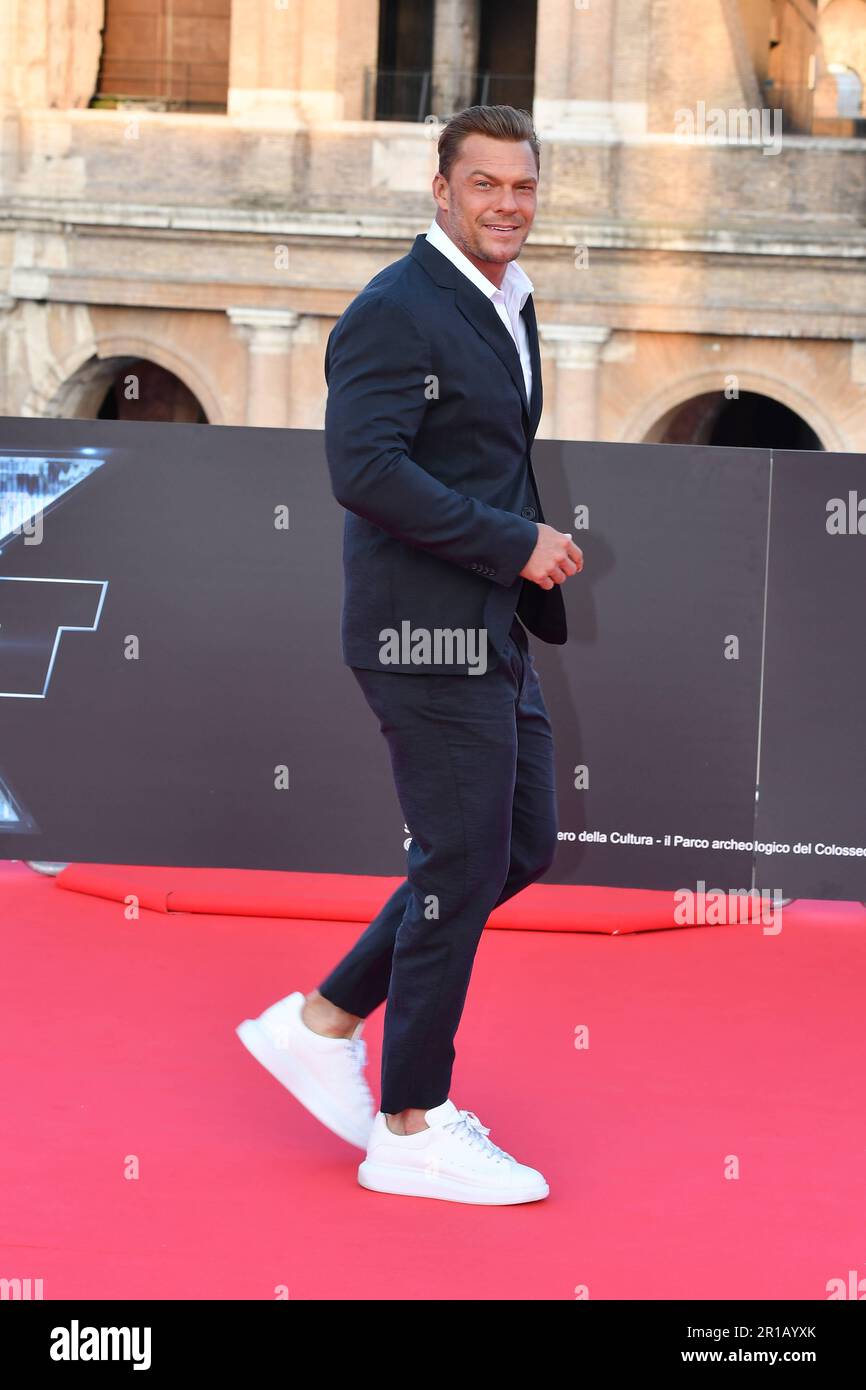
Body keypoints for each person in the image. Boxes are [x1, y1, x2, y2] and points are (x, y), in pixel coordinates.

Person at [236, 104, 583, 1205]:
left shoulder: (504, 303)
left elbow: (483, 455)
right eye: (484, 185)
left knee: (511, 847)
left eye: (521, 187)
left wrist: (515, 561)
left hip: (485, 628)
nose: (506, 205)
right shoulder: (396, 309)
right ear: (440, 189)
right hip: (417, 633)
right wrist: (514, 543)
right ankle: (409, 1120)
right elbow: (365, 471)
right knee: (458, 866)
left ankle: (321, 1020)